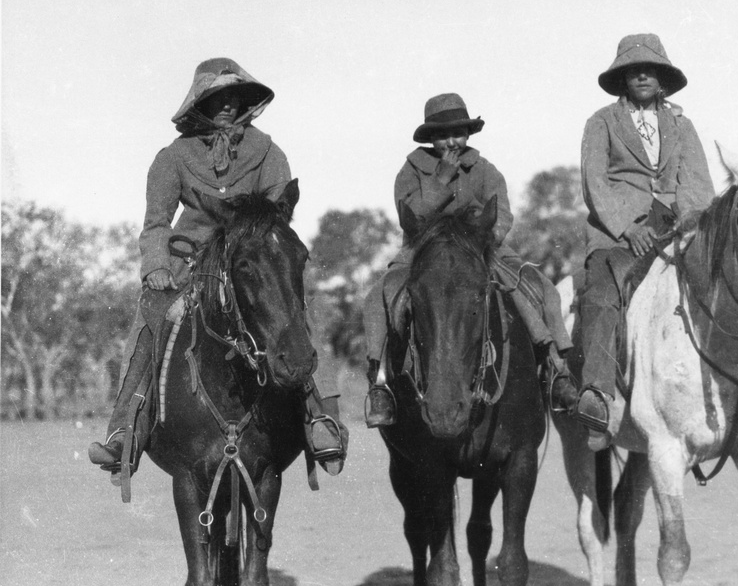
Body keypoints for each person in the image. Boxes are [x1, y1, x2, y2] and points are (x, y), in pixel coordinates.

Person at [88, 58, 346, 477]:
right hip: (190, 262)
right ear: (200, 104)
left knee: (300, 301)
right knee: (150, 314)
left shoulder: (266, 151)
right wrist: (155, 265)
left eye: (234, 97)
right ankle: (125, 430)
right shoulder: (172, 157)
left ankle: (321, 417)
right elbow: (155, 223)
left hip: (250, 259)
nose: (227, 105)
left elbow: (280, 214)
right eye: (216, 98)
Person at [574, 33, 738, 442]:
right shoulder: (601, 122)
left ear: (663, 80)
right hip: (619, 236)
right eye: (633, 70)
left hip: (676, 228)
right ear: (622, 80)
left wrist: (694, 225)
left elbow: (695, 182)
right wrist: (629, 228)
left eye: (651, 70)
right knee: (603, 293)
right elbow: (595, 185)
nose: (642, 75)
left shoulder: (682, 125)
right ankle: (599, 395)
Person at [361, 93, 577, 427]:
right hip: (423, 250)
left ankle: (556, 368)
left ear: (468, 133)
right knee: (379, 295)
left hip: (479, 247)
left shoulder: (484, 169)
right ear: (430, 137)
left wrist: (484, 240)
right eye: (443, 134)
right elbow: (409, 216)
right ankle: (379, 382)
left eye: (458, 132)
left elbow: (502, 213)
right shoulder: (412, 170)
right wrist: (442, 178)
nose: (451, 141)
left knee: (541, 287)